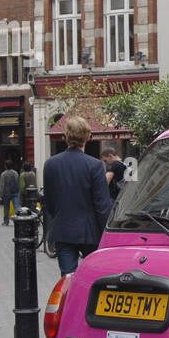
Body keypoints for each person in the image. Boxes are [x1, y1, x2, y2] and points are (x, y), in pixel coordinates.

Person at [43, 116, 113, 275]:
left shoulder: (51, 164)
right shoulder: (94, 165)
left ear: (66, 136)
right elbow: (102, 205)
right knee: (92, 277)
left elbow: (49, 201)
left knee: (67, 278)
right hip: (90, 231)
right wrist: (106, 233)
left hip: (63, 230)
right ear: (88, 137)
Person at [0, 161, 20, 225]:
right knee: (16, 207)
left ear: (5, 166)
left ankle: (6, 221)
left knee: (6, 207)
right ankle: (19, 220)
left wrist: (0, 194)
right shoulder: (16, 173)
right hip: (15, 192)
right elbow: (18, 183)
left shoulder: (3, 174)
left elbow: (2, 185)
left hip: (7, 193)